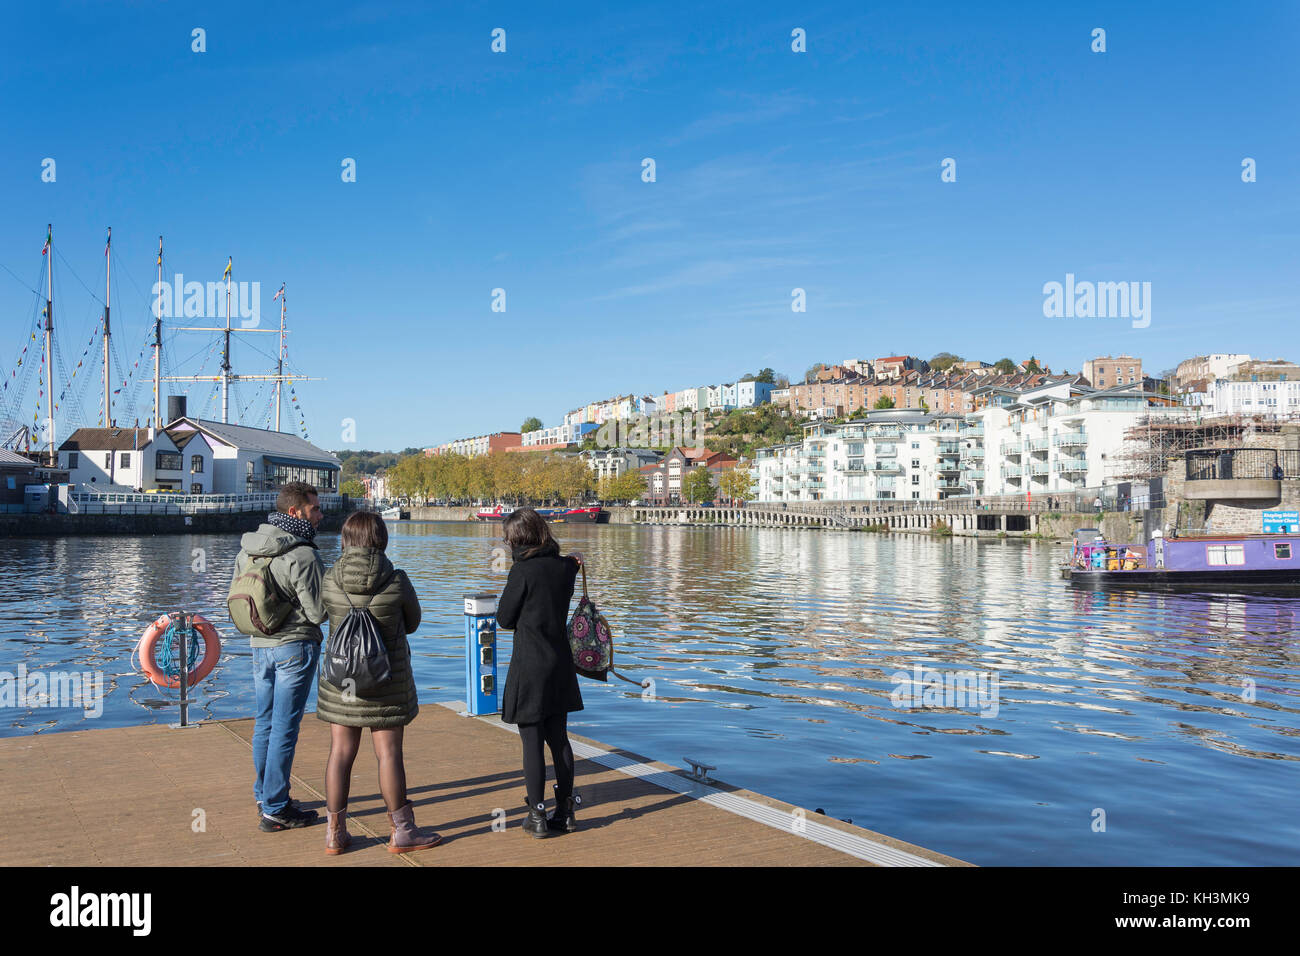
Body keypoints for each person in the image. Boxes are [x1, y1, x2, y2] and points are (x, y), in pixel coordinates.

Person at [316, 511, 439, 855]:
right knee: (388, 754)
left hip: (343, 683)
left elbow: (319, 615)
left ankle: (335, 835)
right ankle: (402, 832)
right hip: (386, 680)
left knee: (340, 753)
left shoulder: (330, 578)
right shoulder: (396, 579)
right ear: (381, 539)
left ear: (346, 539)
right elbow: (413, 623)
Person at [232, 481, 327, 832]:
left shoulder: (247, 550)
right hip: (295, 647)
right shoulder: (303, 554)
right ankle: (276, 808)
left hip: (259, 644)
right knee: (285, 727)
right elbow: (317, 613)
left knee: (265, 722)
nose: (320, 515)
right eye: (315, 509)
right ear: (295, 512)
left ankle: (264, 796)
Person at [496, 508, 584, 837]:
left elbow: (505, 618)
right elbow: (573, 561)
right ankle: (566, 812)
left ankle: (537, 815)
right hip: (560, 663)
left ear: (519, 539)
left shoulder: (522, 571)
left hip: (530, 666)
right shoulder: (565, 568)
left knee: (531, 742)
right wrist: (573, 560)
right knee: (559, 739)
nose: (507, 544)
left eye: (509, 539)